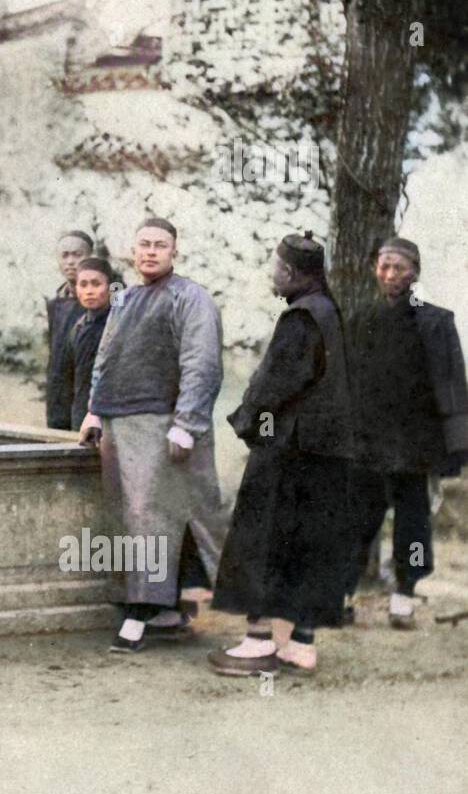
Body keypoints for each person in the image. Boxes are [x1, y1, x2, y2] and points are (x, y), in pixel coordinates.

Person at [209, 232, 354, 676]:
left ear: (290, 272)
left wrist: (246, 421)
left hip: (288, 449)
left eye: (276, 266)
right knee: (309, 542)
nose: (272, 273)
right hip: (324, 453)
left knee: (263, 536)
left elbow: (274, 385)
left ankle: (257, 642)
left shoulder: (300, 319)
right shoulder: (329, 313)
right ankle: (301, 644)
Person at [80, 217, 224, 653]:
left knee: (152, 516)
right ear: (132, 250)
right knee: (124, 516)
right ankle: (164, 608)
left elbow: (202, 364)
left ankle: (140, 613)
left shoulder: (191, 297)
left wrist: (186, 425)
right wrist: (93, 410)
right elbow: (105, 359)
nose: (150, 252)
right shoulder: (125, 299)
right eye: (143, 244)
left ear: (174, 251)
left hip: (162, 423)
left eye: (160, 245)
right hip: (118, 422)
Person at [344, 237, 468, 629]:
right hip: (367, 443)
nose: (390, 274)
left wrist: (457, 444)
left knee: (413, 525)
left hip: (415, 446)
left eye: (398, 267)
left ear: (414, 272)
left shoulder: (434, 321)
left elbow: (451, 386)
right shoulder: (360, 319)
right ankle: (343, 593)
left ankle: (404, 596)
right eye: (383, 266)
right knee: (358, 519)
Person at [44, 231, 93, 430]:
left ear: (91, 257)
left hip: (89, 392)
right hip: (59, 393)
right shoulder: (55, 302)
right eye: (65, 256)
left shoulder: (107, 297)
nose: (71, 262)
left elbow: (121, 299)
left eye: (78, 255)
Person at [56, 257, 113, 432]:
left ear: (110, 288)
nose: (89, 291)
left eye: (96, 284)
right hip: (80, 410)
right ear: (76, 290)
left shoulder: (117, 325)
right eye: (84, 285)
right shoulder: (78, 328)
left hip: (110, 413)